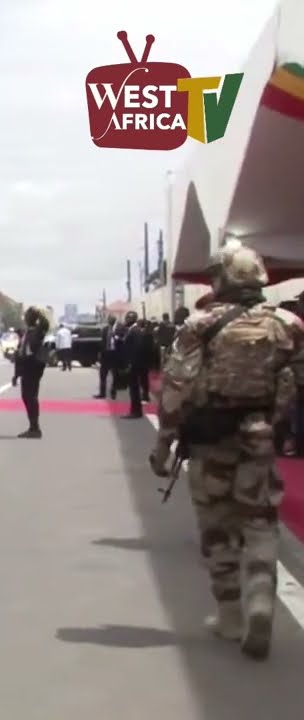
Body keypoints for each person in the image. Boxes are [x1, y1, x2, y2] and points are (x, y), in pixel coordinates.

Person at [149, 241, 304, 660]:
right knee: (259, 523)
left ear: (220, 279)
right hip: (260, 438)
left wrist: (163, 444)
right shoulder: (288, 323)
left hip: (209, 440)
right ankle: (259, 600)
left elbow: (176, 388)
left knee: (217, 529)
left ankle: (232, 615)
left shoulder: (200, 325)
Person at [11, 306, 50, 438]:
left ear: (32, 318)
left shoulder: (38, 332)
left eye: (27, 316)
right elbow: (20, 353)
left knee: (31, 397)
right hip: (25, 367)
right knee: (26, 397)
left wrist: (39, 313)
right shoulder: (26, 332)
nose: (25, 318)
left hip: (33, 367)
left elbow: (45, 324)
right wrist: (16, 375)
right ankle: (33, 427)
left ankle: (35, 428)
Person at [94, 314, 119, 399]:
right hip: (105, 353)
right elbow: (102, 342)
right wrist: (100, 353)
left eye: (111, 319)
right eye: (109, 319)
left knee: (115, 375)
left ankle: (113, 392)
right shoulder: (104, 329)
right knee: (103, 375)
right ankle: (102, 393)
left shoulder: (118, 329)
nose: (110, 321)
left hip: (114, 354)